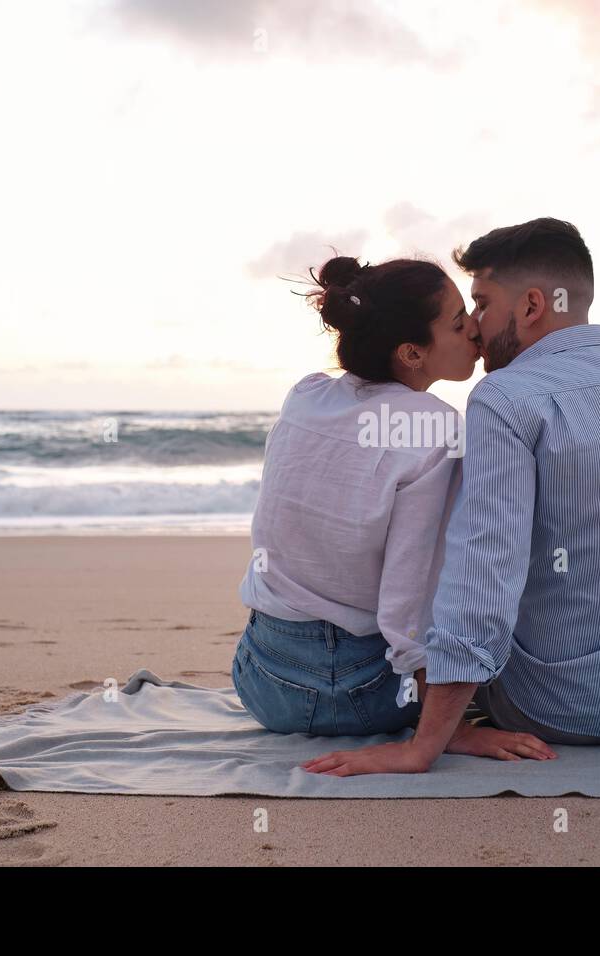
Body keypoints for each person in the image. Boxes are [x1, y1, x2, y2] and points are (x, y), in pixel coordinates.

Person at [304, 218, 600, 776]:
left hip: (567, 710)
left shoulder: (506, 398)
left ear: (532, 305)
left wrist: (425, 745)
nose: (476, 328)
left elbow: (486, 572)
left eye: (482, 304)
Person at [235, 253, 557, 761]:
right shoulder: (437, 429)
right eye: (457, 322)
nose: (476, 329)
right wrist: (445, 733)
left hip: (264, 685)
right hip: (370, 698)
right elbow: (416, 601)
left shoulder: (305, 395)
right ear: (411, 353)